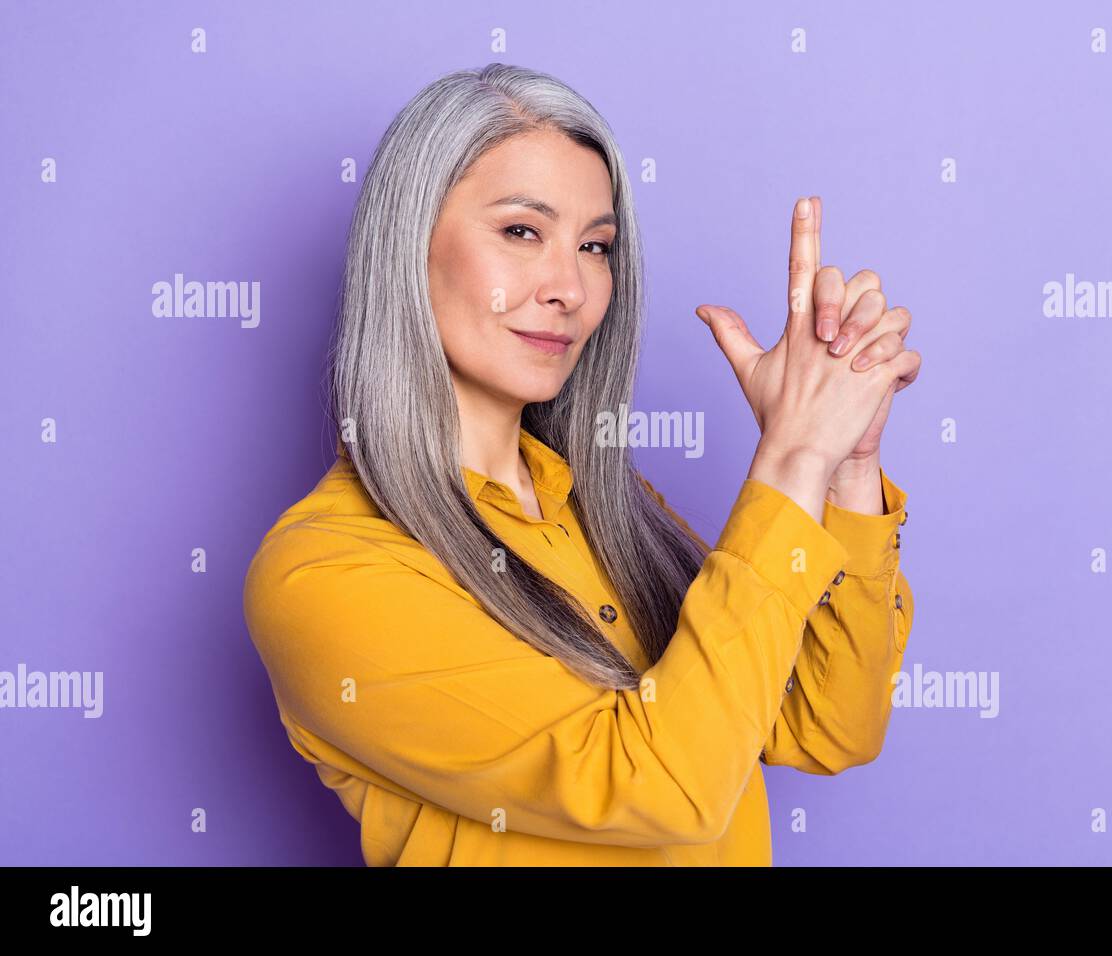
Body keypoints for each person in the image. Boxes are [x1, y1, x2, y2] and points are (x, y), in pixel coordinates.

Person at [242, 62, 922, 866]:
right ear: (406, 246)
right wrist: (793, 457)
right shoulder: (327, 573)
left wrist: (844, 463)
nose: (571, 286)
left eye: (595, 246)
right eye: (522, 231)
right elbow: (664, 785)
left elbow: (827, 725)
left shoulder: (609, 508)